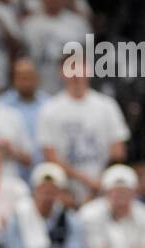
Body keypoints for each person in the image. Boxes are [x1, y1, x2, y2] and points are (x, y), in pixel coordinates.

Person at [38, 62, 130, 204]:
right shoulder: (50, 109)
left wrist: (98, 184)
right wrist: (85, 181)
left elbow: (118, 151)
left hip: (103, 185)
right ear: (61, 73)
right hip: (66, 190)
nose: (76, 74)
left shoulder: (107, 106)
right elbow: (50, 157)